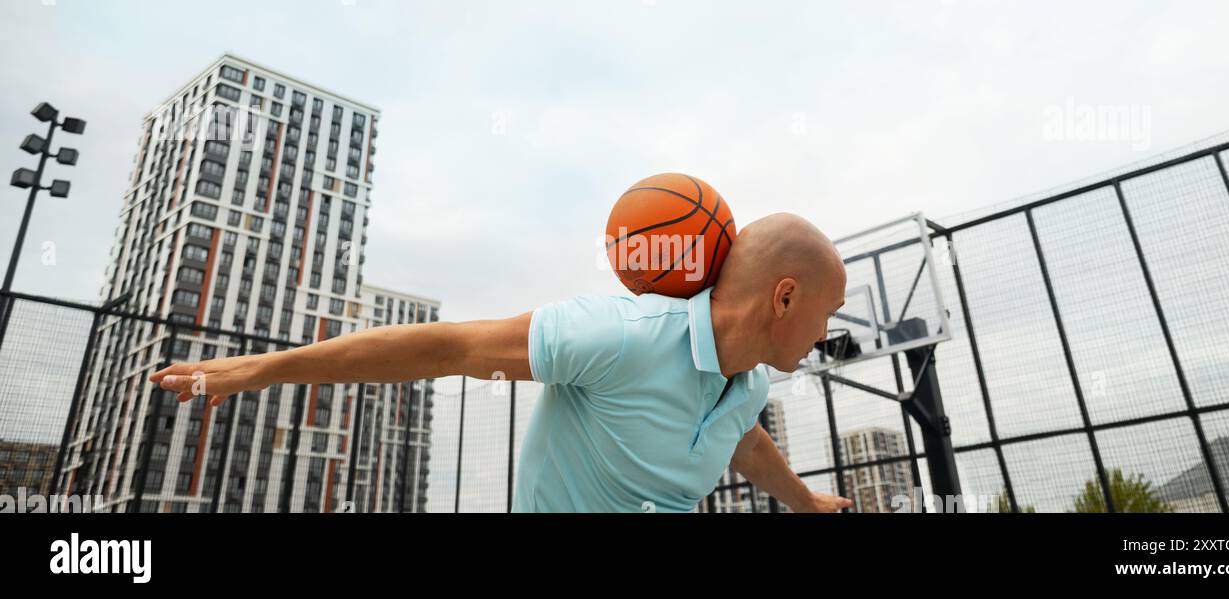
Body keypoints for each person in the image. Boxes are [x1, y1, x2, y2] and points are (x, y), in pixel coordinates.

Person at [151, 212, 853, 513]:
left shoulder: (747, 381)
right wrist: (260, 368)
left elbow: (747, 442)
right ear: (785, 296)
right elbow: (449, 346)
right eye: (829, 309)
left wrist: (806, 501)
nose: (829, 329)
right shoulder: (621, 335)